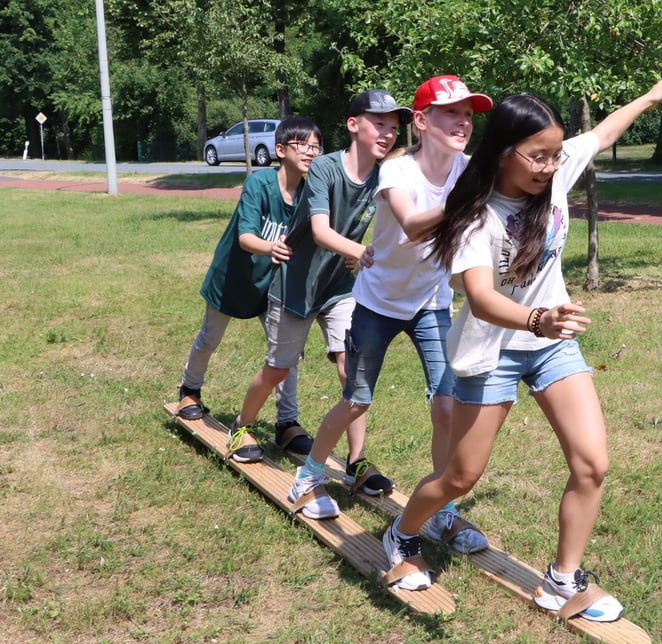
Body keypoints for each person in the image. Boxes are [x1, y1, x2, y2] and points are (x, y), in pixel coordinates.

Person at [380, 72, 662, 622]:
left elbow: (603, 135)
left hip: (550, 344)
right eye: (538, 157)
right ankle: (403, 534)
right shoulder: (474, 214)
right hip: (492, 347)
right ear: (503, 154)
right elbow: (478, 298)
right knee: (460, 477)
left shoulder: (551, 171)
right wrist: (537, 318)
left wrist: (649, 96)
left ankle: (561, 581)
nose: (551, 166)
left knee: (592, 463)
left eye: (554, 155)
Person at [289, 75, 491, 551]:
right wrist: (467, 197)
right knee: (357, 399)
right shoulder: (396, 172)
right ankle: (309, 474)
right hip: (376, 303)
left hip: (431, 304)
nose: (463, 122)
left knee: (446, 406)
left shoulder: (470, 169)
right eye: (451, 112)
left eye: (468, 114)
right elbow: (416, 227)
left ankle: (442, 511)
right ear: (421, 122)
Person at [227, 92, 410, 512]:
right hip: (297, 285)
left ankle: (357, 463)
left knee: (353, 373)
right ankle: (242, 426)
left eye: (393, 126)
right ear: (353, 125)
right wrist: (359, 251)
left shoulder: (387, 175)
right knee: (278, 368)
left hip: (341, 288)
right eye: (378, 123)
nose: (387, 132)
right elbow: (320, 229)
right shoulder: (325, 168)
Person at [176, 116, 320, 460]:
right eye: (304, 145)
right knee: (209, 338)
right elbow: (245, 236)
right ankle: (189, 390)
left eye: (316, 146)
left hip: (274, 285)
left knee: (284, 355)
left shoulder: (310, 194)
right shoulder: (259, 184)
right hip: (233, 279)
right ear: (281, 150)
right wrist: (272, 248)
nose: (311, 152)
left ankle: (287, 423)